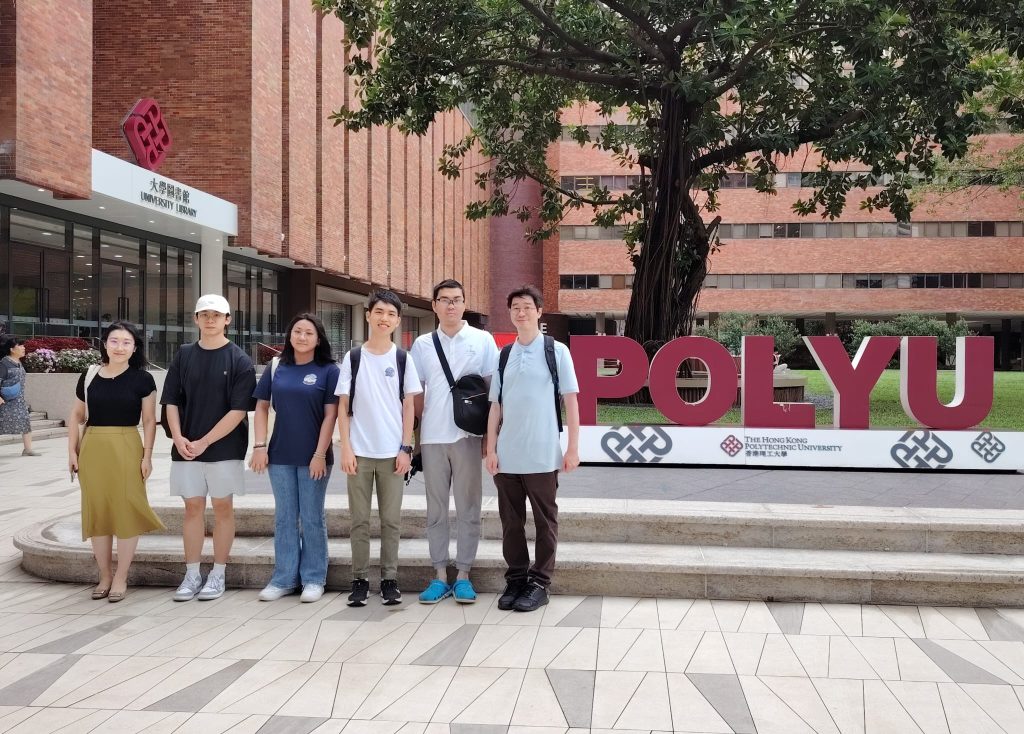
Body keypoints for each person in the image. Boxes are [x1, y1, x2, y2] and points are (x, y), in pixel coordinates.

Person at [485, 285, 580, 612]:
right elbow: (495, 406)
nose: (521, 312)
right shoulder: (505, 354)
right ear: (510, 313)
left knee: (544, 521)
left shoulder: (556, 351)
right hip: (507, 455)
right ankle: (516, 580)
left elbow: (571, 400)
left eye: (527, 307)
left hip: (542, 454)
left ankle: (540, 583)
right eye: (515, 308)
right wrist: (490, 448)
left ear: (539, 312)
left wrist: (572, 448)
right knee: (511, 523)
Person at [161, 294, 256, 601]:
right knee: (192, 508)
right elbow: (171, 400)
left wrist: (205, 441)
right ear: (196, 319)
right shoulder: (184, 354)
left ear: (228, 320)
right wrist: (178, 437)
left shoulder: (239, 359)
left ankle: (217, 573)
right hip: (185, 447)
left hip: (224, 449)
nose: (211, 319)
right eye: (205, 314)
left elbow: (238, 411)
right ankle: (191, 574)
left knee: (223, 508)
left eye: (217, 315)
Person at [410, 279, 499, 604]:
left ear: (465, 304)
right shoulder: (421, 345)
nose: (450, 305)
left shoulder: (482, 340)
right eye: (444, 300)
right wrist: (416, 439)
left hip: (468, 438)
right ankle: (439, 574)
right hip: (432, 439)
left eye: (456, 299)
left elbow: (493, 394)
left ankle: (463, 574)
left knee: (468, 507)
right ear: (433, 305)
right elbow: (415, 396)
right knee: (435, 509)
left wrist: (490, 437)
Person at [67, 321, 165, 602]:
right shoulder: (88, 376)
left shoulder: (142, 379)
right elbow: (76, 415)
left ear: (135, 348)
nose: (119, 347)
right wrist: (72, 452)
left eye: (126, 342)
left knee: (126, 511)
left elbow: (149, 421)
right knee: (97, 511)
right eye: (114, 341)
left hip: (126, 446)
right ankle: (104, 575)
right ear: (105, 344)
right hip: (93, 447)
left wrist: (147, 456)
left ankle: (121, 576)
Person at [336, 290, 421, 606]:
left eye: (391, 314)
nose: (384, 318)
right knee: (358, 520)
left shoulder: (402, 358)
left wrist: (405, 448)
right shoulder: (353, 357)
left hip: (392, 455)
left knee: (391, 521)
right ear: (368, 314)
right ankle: (359, 579)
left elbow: (409, 407)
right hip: (358, 453)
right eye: (379, 312)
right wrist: (345, 448)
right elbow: (343, 406)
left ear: (398, 321)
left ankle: (389, 579)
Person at [250, 313, 340, 603]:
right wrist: (260, 446)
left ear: (318, 338)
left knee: (313, 518)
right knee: (285, 518)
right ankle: (284, 578)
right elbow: (262, 407)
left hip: (314, 457)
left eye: (309, 333)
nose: (302, 337)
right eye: (297, 331)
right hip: (280, 455)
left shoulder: (329, 370)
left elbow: (331, 416)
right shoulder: (276, 367)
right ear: (289, 335)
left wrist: (318, 454)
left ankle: (314, 578)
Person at [0, 336, 40, 456]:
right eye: (20, 345)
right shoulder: (4, 363)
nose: (24, 348)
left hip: (19, 400)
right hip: (5, 401)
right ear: (12, 349)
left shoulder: (19, 362)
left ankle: (27, 449)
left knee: (25, 422)